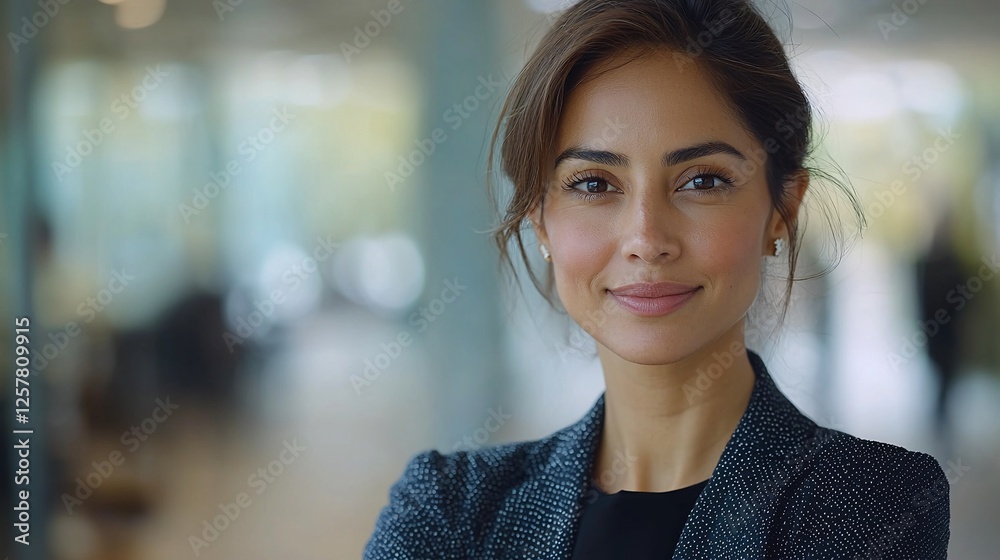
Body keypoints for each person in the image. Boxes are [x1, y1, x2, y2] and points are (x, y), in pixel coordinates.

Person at [364, 1, 950, 558]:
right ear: (540, 221)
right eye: (594, 183)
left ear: (781, 211)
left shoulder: (876, 505)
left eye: (702, 181)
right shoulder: (446, 509)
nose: (646, 239)